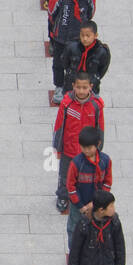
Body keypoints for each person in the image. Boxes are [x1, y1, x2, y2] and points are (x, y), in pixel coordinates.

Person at [53, 74, 106, 213]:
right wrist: (57, 148)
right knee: (65, 175)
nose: (81, 91)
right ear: (73, 87)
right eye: (78, 87)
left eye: (84, 87)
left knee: (86, 174)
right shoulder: (66, 103)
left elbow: (100, 128)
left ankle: (84, 197)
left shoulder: (96, 106)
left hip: (87, 150)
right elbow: (59, 126)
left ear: (91, 87)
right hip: (68, 148)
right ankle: (63, 196)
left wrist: (98, 148)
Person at [47, 0, 95, 101]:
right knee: (58, 63)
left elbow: (90, 14)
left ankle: (73, 88)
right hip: (60, 37)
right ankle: (58, 87)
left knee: (76, 65)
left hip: (79, 40)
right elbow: (52, 13)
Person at [64, 126, 112, 247]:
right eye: (83, 147)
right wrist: (81, 206)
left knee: (95, 229)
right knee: (74, 229)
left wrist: (94, 203)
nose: (86, 151)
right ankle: (73, 253)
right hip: (78, 206)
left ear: (98, 144)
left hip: (96, 205)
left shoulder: (105, 161)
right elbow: (71, 186)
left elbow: (107, 182)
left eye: (89, 148)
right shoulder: (76, 163)